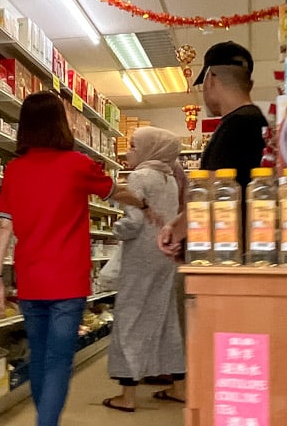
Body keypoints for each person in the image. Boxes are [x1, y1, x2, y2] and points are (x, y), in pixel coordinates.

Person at [0, 91, 145, 426]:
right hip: (68, 280)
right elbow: (114, 190)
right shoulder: (77, 164)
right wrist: (144, 205)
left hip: (30, 280)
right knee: (60, 359)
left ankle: (44, 419)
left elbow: (5, 226)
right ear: (59, 123)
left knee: (40, 357)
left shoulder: (14, 170)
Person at [102, 126, 187, 412]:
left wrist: (116, 229)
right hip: (165, 256)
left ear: (152, 149)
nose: (129, 152)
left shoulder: (139, 177)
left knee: (129, 317)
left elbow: (134, 222)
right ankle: (178, 386)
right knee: (165, 318)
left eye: (134, 147)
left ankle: (127, 395)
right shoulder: (171, 178)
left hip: (140, 256)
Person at [159, 41, 267, 257]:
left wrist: (172, 235)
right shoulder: (255, 120)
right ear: (250, 83)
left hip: (227, 255)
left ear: (210, 79)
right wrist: (177, 222)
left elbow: (207, 194)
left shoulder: (235, 126)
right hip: (248, 251)